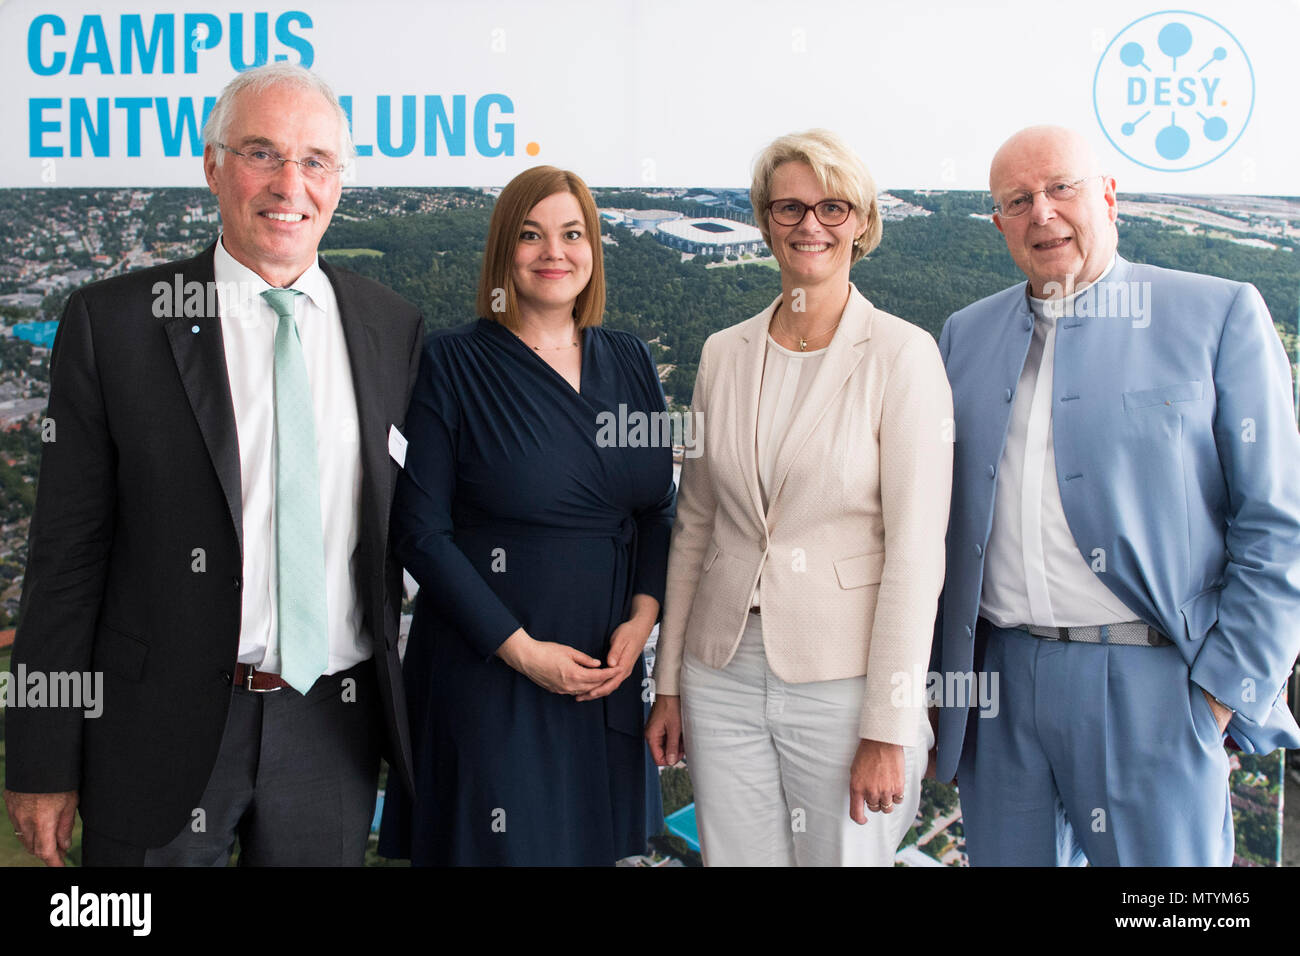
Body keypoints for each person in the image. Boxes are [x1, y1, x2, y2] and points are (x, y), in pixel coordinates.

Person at [2, 63, 425, 866]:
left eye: (314, 161)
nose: (289, 183)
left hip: (330, 727)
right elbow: (64, 559)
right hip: (153, 732)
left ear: (339, 181)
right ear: (212, 166)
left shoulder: (390, 326)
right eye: (261, 152)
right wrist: (41, 762)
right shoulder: (115, 324)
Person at [932, 124, 1300, 866]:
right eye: (1018, 200)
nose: (1042, 213)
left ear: (1107, 197)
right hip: (997, 684)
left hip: (1151, 682)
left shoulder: (1219, 314)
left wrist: (1224, 689)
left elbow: (1276, 521)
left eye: (1061, 188)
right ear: (999, 223)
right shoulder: (962, 335)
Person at [646, 129, 953, 866]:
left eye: (832, 207)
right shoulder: (725, 352)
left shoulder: (903, 355)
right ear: (764, 219)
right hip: (720, 674)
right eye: (789, 207)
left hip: (844, 684)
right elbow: (697, 526)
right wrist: (669, 685)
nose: (809, 224)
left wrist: (890, 723)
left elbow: (916, 554)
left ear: (862, 223)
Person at [377, 165, 675, 866]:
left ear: (593, 249)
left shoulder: (629, 360)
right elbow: (420, 530)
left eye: (573, 234)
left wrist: (643, 616)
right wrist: (520, 650)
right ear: (504, 252)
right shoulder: (449, 363)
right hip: (491, 677)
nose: (554, 252)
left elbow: (659, 507)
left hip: (603, 676)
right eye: (532, 235)